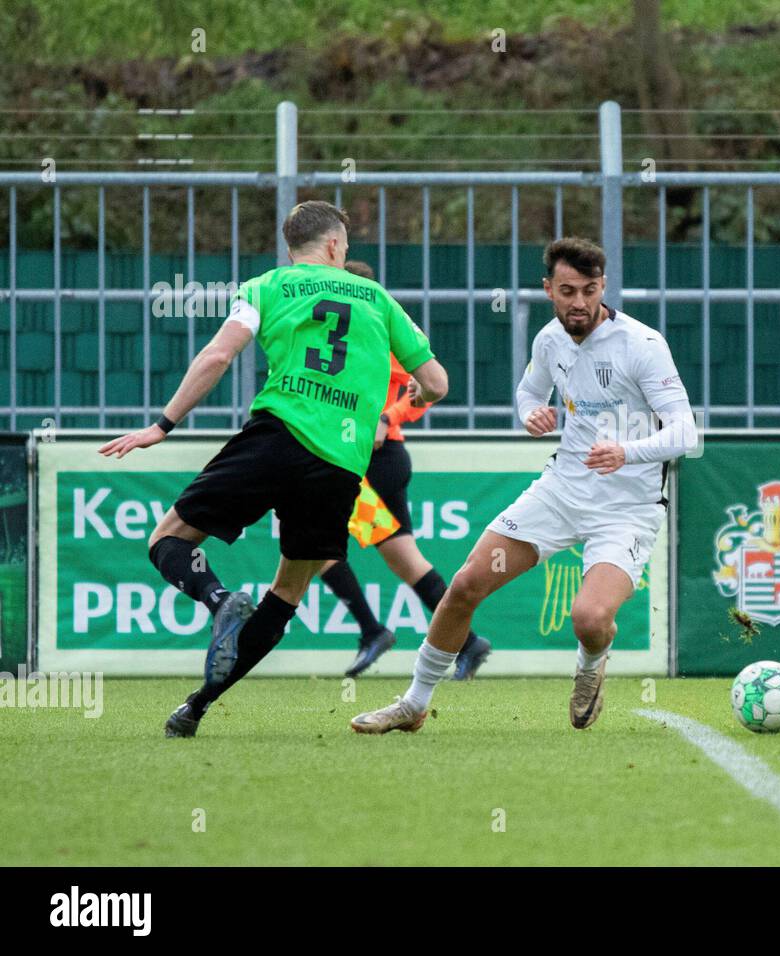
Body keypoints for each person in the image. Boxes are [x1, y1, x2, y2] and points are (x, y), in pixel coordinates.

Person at [98, 200, 448, 737]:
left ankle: (217, 601)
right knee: (287, 593)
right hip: (341, 466)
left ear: (293, 248)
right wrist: (397, 400)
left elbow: (217, 356)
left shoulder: (267, 286)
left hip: (276, 438)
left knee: (167, 537)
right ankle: (196, 707)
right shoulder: (379, 300)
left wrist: (162, 426)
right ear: (335, 245)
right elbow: (437, 383)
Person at [350, 236, 697, 734]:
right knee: (467, 584)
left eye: (590, 290)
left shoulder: (642, 346)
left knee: (590, 618)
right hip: (560, 493)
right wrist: (530, 413)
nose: (579, 302)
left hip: (628, 507)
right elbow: (529, 391)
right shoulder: (549, 340)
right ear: (548, 289)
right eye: (568, 290)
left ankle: (590, 662)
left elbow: (686, 431)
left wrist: (628, 451)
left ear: (604, 286)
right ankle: (413, 703)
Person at [322, 258, 491, 679]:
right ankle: (468, 643)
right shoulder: (344, 340)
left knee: (314, 543)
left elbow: (428, 387)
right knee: (404, 560)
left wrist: (387, 417)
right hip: (366, 462)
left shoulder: (375, 336)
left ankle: (372, 630)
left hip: (374, 463)